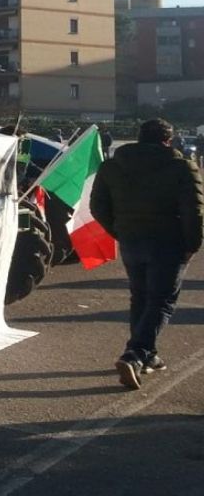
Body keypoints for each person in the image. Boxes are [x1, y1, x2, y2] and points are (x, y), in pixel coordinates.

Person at [90, 118, 204, 389]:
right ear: (168, 140)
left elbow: (97, 206)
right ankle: (136, 354)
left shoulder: (112, 166)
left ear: (139, 138)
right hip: (168, 243)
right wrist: (192, 245)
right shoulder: (181, 167)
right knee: (162, 301)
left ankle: (148, 356)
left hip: (131, 240)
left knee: (140, 297)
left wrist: (119, 230)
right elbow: (194, 212)